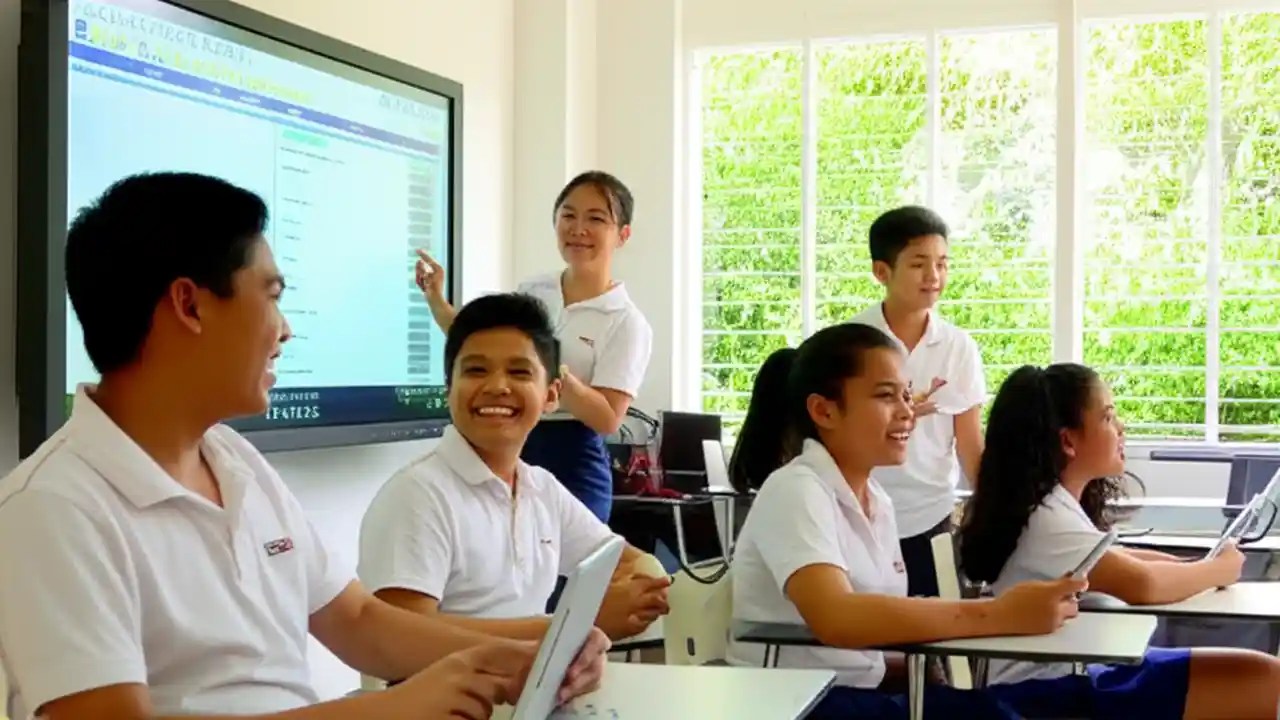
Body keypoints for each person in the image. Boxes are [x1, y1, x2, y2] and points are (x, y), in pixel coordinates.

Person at [0, 173, 607, 720]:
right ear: (189, 305)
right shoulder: (54, 507)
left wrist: (531, 653)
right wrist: (389, 711)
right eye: (271, 296)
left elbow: (359, 621)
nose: (285, 328)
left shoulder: (234, 461)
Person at [726, 323, 1089, 720]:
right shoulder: (795, 489)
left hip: (858, 694)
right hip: (801, 703)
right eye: (886, 396)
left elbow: (872, 640)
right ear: (824, 410)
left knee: (1061, 700)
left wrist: (920, 669)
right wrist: (1001, 613)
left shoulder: (877, 499)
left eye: (905, 394)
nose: (907, 411)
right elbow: (837, 618)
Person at [957, 363, 1280, 720]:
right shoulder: (1047, 518)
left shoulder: (1052, 506)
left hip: (1077, 672)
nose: (1121, 428)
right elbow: (1143, 584)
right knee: (1262, 680)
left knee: (1262, 675)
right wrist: (1218, 570)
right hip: (1047, 695)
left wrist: (1195, 567)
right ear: (1068, 441)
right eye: (1108, 418)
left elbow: (1116, 559)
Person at [358, 293, 670, 642]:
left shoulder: (540, 488)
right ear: (449, 389)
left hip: (534, 690)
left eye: (519, 372)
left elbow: (625, 561)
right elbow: (402, 638)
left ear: (552, 396)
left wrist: (646, 580)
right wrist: (571, 625)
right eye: (476, 370)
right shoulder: (418, 495)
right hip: (450, 696)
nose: (496, 387)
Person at [416, 172, 651, 522]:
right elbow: (478, 339)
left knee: (564, 572)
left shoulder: (626, 320)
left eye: (596, 219)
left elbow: (607, 418)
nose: (578, 229)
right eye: (568, 215)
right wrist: (435, 297)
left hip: (571, 458)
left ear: (623, 235)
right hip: (509, 445)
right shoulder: (534, 290)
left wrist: (551, 369)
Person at [849, 205, 986, 597]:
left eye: (943, 264)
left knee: (936, 640)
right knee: (869, 637)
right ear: (881, 272)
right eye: (919, 264)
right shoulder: (853, 341)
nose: (934, 277)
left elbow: (970, 441)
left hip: (932, 516)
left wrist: (994, 510)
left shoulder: (958, 346)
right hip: (860, 513)